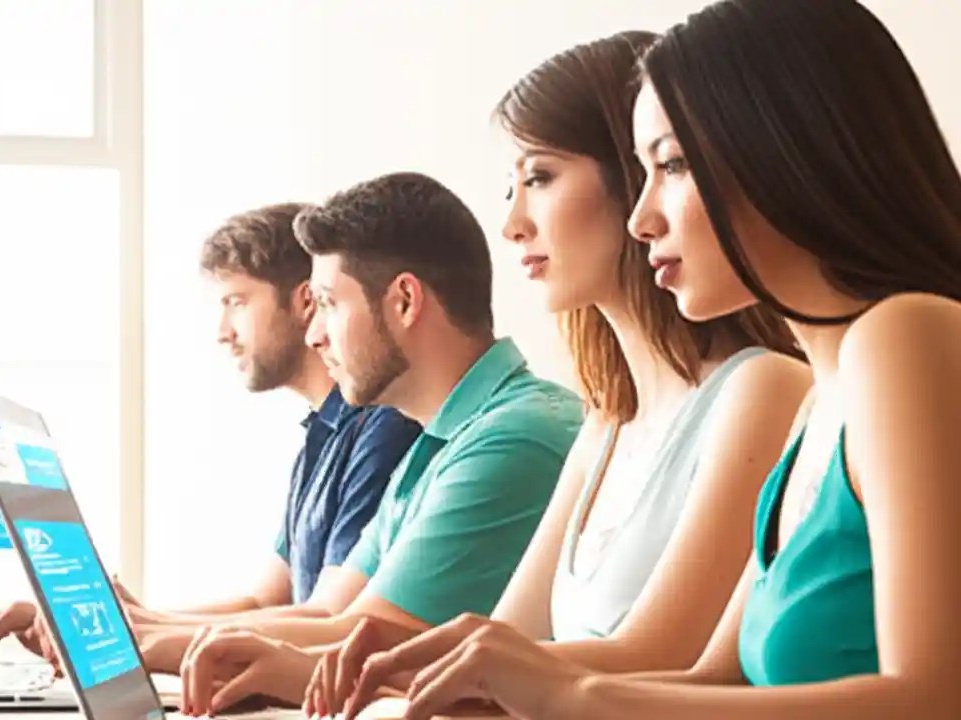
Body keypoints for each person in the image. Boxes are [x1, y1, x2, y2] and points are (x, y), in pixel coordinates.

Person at [347, 2, 961, 718]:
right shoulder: (819, 400)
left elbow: (932, 698)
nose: (643, 218)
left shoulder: (904, 336)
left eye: (672, 165)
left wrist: (567, 696)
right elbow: (714, 681)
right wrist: (506, 674)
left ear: (782, 149)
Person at [195, 30, 812, 719]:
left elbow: (658, 660)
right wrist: (302, 665)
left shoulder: (760, 389)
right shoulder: (605, 422)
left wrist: (329, 667)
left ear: (631, 179)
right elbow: (510, 647)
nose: (513, 223)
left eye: (540, 178)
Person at [172, 170, 585, 715]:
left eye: (329, 304)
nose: (315, 334)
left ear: (405, 301)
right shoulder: (434, 442)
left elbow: (365, 646)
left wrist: (165, 645)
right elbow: (336, 621)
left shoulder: (515, 438)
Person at [0, 202, 420, 669]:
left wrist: (130, 633)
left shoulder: (383, 429)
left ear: (304, 302)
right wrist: (131, 618)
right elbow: (262, 602)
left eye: (236, 302)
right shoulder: (320, 437)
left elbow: (325, 615)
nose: (223, 332)